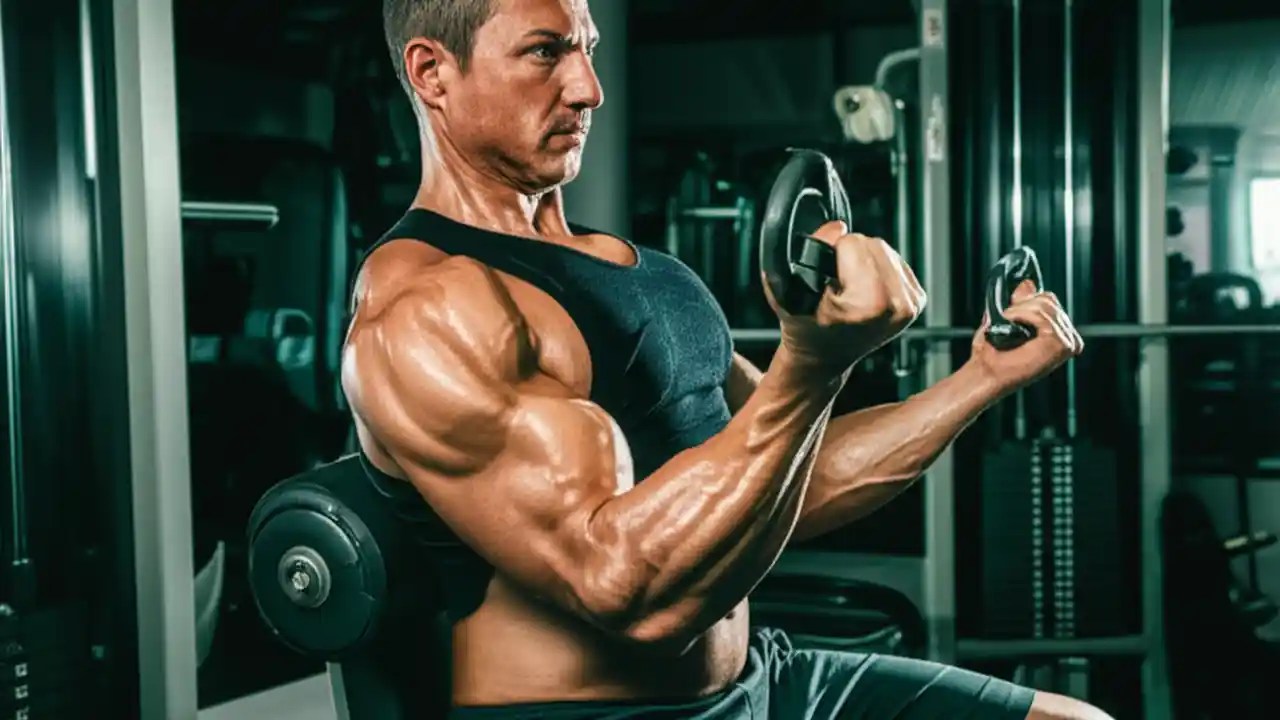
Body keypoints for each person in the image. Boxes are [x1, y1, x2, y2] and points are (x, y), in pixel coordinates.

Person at [343, 1, 1102, 718]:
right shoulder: (425, 309)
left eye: (587, 50)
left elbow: (787, 476)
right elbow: (623, 590)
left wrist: (981, 379)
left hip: (760, 681)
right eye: (545, 52)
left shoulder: (647, 272)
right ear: (432, 72)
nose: (588, 89)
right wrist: (812, 367)